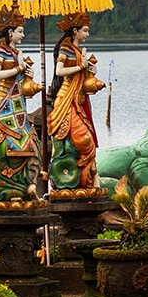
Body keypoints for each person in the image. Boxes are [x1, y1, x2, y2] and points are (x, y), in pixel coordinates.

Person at [0, 3, 41, 203]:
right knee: (3, 142)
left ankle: (26, 184)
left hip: (17, 103)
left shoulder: (16, 53)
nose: (23, 35)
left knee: (30, 141)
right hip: (3, 101)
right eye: (20, 31)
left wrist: (27, 76)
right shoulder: (2, 50)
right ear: (10, 32)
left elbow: (21, 83)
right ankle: (4, 185)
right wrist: (17, 69)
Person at [46, 12, 105, 191]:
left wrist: (91, 71)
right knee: (84, 139)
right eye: (85, 31)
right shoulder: (66, 48)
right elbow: (59, 71)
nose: (87, 34)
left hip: (78, 100)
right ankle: (73, 176)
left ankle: (87, 178)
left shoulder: (78, 50)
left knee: (90, 141)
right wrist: (81, 66)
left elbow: (83, 80)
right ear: (75, 30)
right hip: (66, 100)